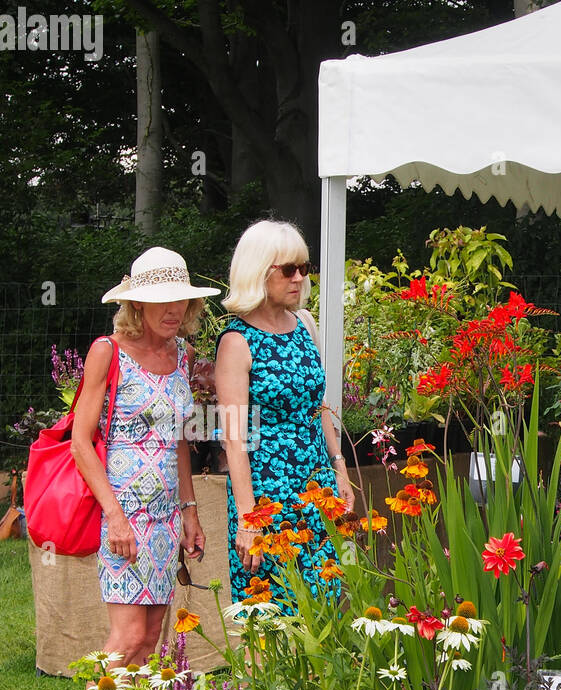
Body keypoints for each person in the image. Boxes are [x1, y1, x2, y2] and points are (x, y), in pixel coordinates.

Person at [72, 246, 217, 665]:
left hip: (166, 516)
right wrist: (114, 515)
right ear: (136, 302)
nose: (173, 310)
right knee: (128, 635)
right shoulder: (108, 351)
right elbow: (81, 442)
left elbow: (181, 441)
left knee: (151, 636)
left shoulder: (183, 356)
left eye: (180, 299)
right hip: (124, 513)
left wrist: (189, 512)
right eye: (160, 301)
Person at [216, 220, 355, 611]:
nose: (299, 278)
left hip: (316, 488)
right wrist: (248, 518)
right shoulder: (236, 342)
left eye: (304, 268)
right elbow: (234, 438)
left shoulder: (305, 325)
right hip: (267, 497)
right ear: (259, 272)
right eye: (288, 269)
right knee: (272, 615)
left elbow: (319, 405)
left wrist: (339, 467)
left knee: (325, 603)